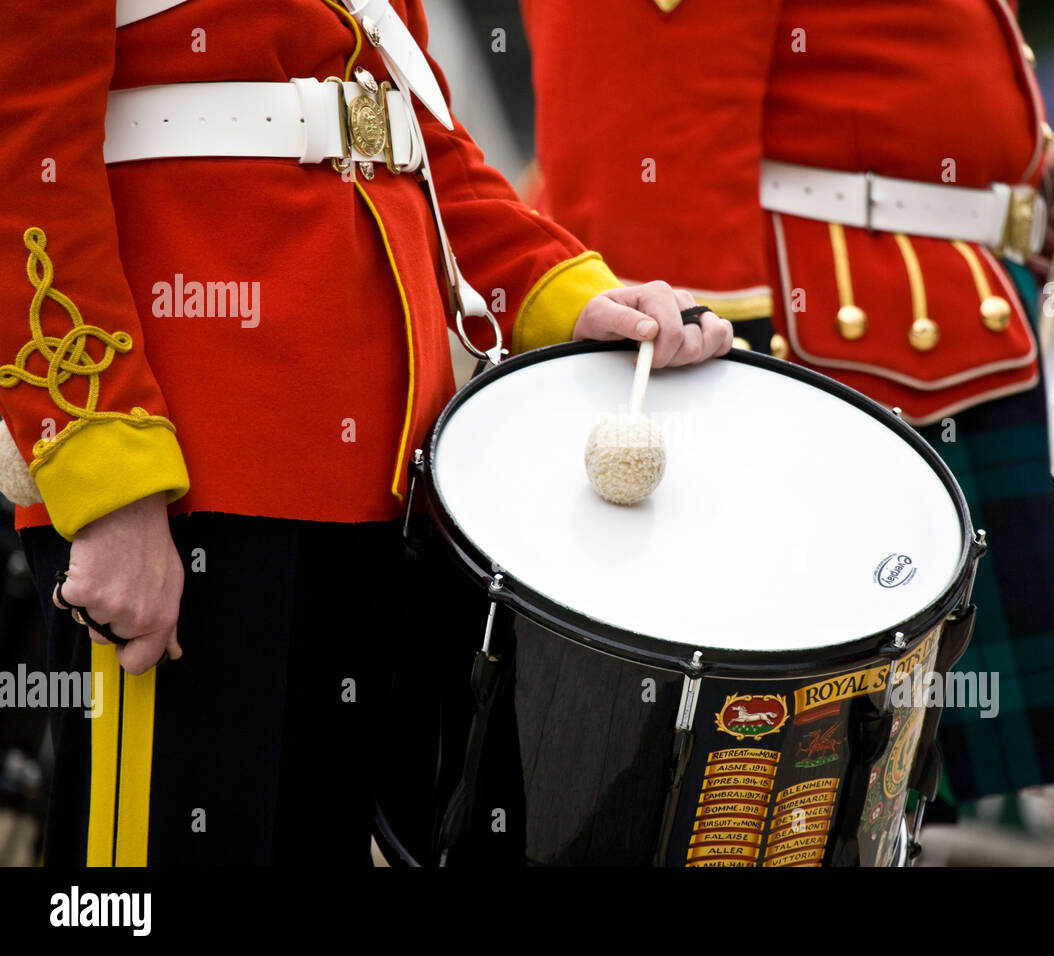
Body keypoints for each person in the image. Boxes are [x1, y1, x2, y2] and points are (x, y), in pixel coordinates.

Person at [0, 0, 730, 866]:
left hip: (377, 491)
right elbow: (24, 156)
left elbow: (420, 150)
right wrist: (108, 486)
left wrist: (567, 295)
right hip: (187, 485)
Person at [521, 0, 1054, 803]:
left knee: (930, 820)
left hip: (941, 351)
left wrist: (1016, 172)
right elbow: (647, 133)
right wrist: (705, 385)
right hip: (821, 370)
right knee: (789, 809)